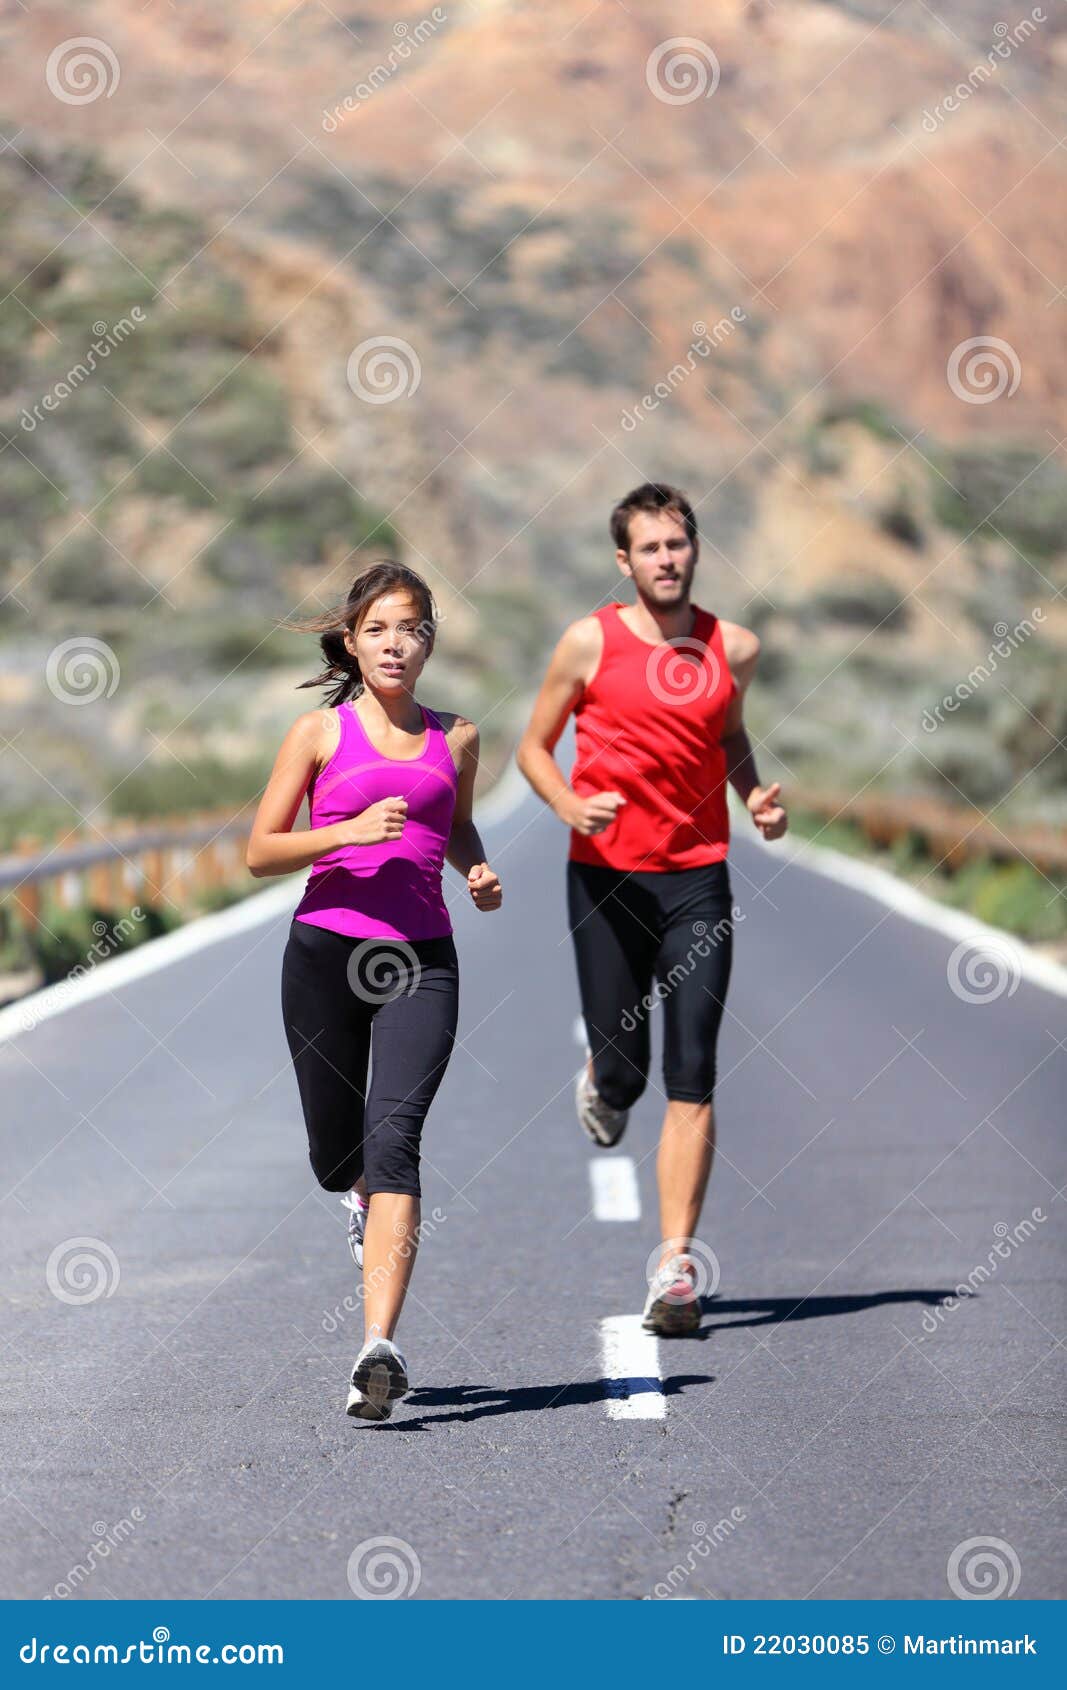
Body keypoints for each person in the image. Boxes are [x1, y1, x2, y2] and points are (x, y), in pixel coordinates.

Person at [517, 483, 786, 1335]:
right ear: (623, 561)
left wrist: (754, 800)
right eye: (650, 547)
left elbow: (729, 734)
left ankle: (675, 1267)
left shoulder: (731, 647)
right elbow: (531, 746)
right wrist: (564, 803)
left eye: (678, 544)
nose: (666, 559)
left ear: (694, 550)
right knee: (626, 1070)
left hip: (697, 879)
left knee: (693, 1069)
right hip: (604, 880)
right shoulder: (587, 643)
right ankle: (603, 1079)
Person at [247, 561, 502, 1419]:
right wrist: (345, 830)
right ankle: (354, 1197)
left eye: (414, 628)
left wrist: (476, 867)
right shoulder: (317, 735)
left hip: (420, 962)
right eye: (380, 629)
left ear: (431, 639)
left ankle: (376, 1348)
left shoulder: (457, 736)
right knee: (336, 1157)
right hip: (325, 953)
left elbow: (454, 821)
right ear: (352, 643)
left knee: (395, 1140)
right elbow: (259, 849)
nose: (397, 644)